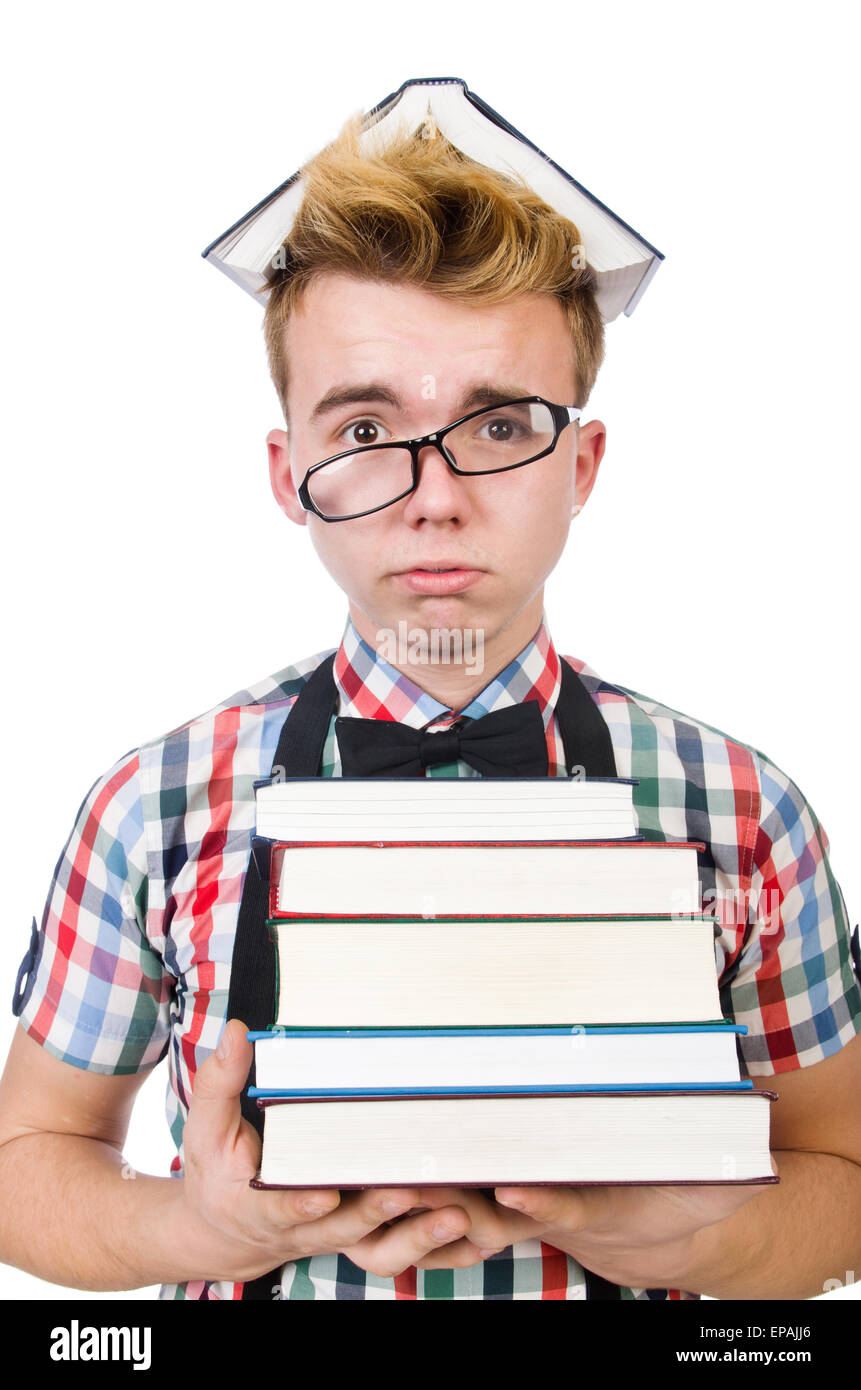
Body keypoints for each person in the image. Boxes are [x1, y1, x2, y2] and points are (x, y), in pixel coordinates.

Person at [1, 112, 860, 1304]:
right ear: (287, 473)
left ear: (584, 464)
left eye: (500, 424)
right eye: (366, 429)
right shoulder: (148, 805)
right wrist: (204, 1233)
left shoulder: (748, 809)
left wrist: (702, 1246)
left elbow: (841, 1168)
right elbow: (28, 1158)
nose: (436, 496)